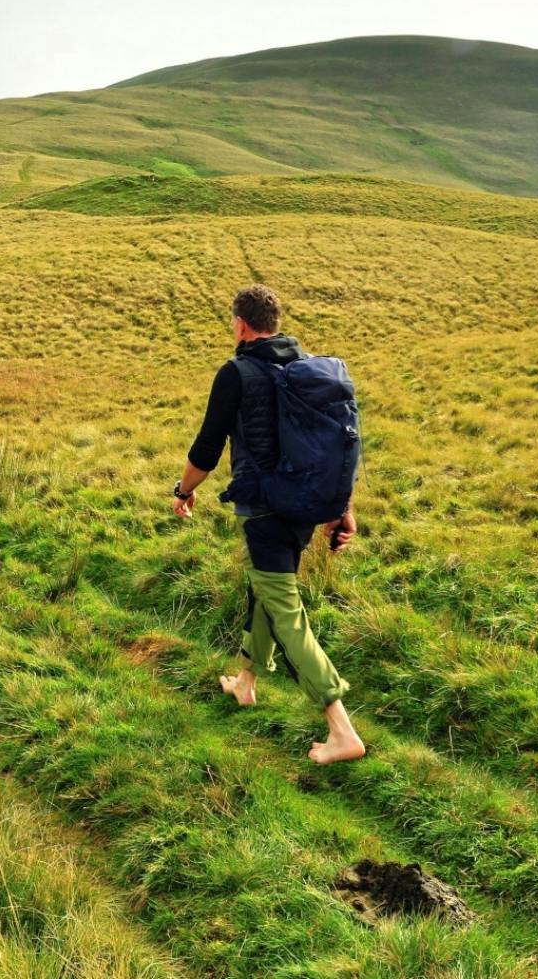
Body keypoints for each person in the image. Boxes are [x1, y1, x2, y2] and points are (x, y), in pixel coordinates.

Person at [172, 284, 365, 764]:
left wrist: (184, 490)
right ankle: (246, 682)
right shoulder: (308, 370)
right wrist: (343, 507)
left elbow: (206, 449)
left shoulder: (237, 372)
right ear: (275, 324)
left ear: (239, 325)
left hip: (264, 506)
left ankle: (341, 729)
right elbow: (338, 444)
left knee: (283, 610)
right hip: (305, 506)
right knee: (264, 588)